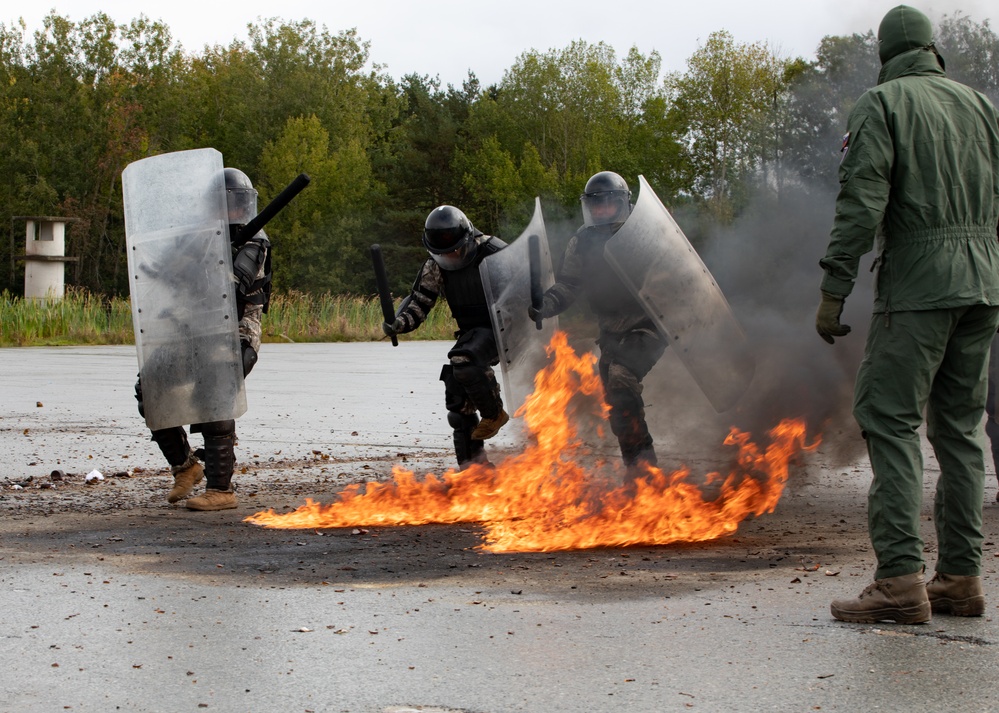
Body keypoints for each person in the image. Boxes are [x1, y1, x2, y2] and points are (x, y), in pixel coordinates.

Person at [815, 5, 999, 623]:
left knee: (889, 420)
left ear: (886, 53)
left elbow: (861, 202)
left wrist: (835, 288)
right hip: (983, 285)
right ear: (931, 47)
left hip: (920, 287)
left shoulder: (882, 104)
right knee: (961, 431)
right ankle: (961, 579)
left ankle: (899, 580)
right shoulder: (981, 106)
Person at [135, 167, 272, 511]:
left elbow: (235, 285)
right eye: (227, 203)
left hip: (236, 330)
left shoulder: (255, 240)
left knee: (214, 390)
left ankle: (221, 490)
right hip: (194, 327)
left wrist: (215, 260)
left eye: (238, 203)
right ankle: (186, 467)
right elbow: (165, 270)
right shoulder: (200, 235)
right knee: (149, 387)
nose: (234, 209)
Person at [529, 171, 666, 473]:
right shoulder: (582, 241)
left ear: (622, 203)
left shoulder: (644, 232)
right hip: (611, 330)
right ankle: (638, 469)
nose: (602, 210)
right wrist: (545, 305)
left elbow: (675, 274)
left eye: (608, 203)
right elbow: (568, 284)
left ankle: (645, 472)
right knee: (618, 406)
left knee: (621, 377)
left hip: (649, 324)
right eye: (596, 204)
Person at [383, 205, 510, 470]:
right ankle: (473, 469)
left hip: (503, 327)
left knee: (463, 360)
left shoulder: (495, 253)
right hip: (472, 333)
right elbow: (420, 301)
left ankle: (494, 413)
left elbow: (524, 289)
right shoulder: (435, 265)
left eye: (454, 251)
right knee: (458, 400)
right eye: (443, 253)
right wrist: (398, 323)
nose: (449, 257)